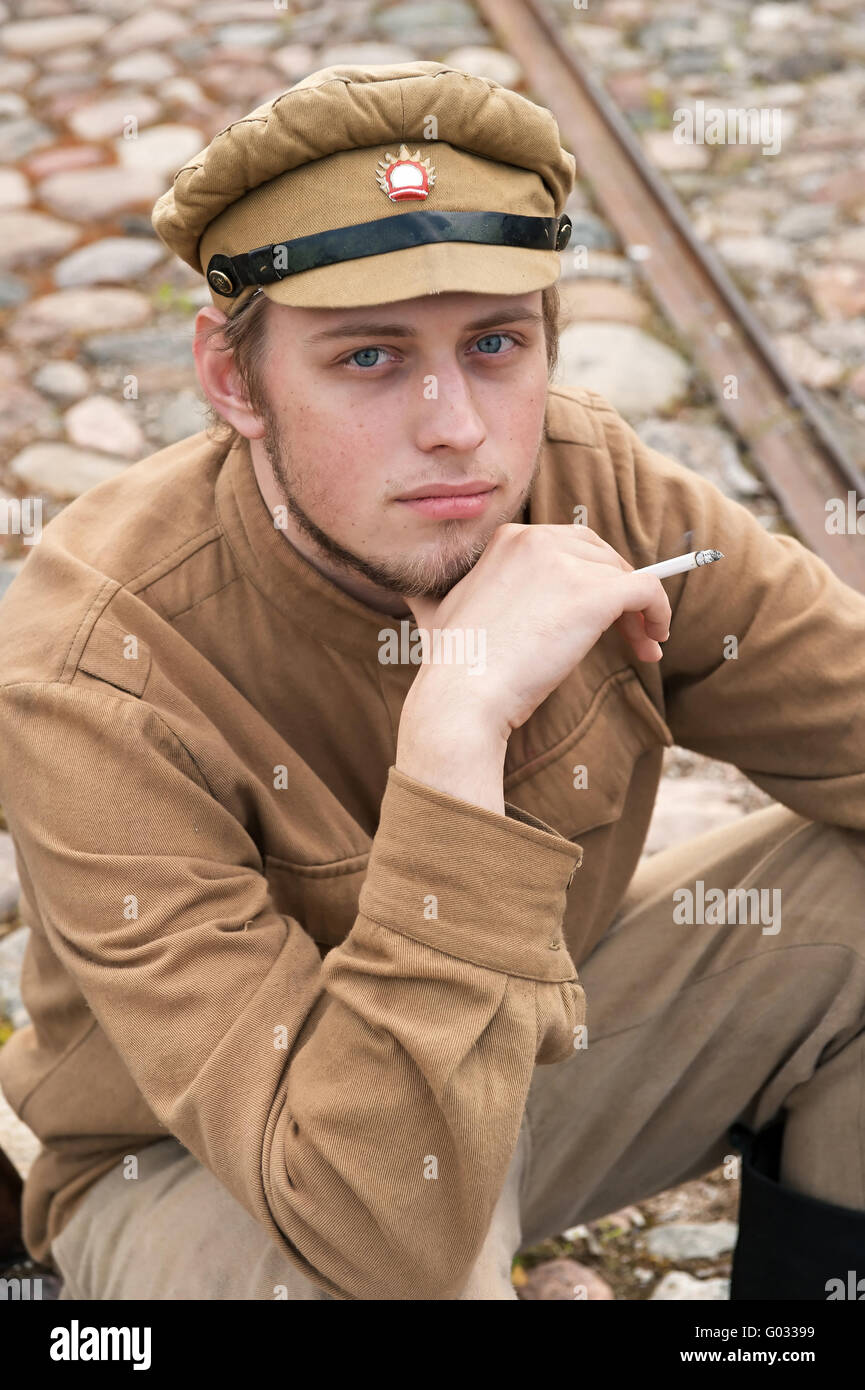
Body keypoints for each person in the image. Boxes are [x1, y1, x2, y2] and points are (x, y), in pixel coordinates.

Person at [0, 60, 863, 1302]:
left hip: (519, 1065)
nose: (454, 423)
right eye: (367, 358)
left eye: (495, 345)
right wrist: (454, 726)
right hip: (219, 1180)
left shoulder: (591, 484)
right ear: (234, 380)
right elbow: (374, 1220)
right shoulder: (96, 673)